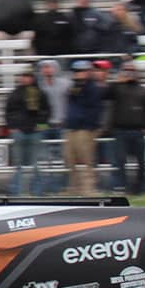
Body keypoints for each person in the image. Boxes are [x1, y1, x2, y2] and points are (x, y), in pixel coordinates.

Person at [4, 69, 50, 196]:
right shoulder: (15, 94)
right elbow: (9, 111)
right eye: (24, 76)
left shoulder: (40, 93)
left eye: (28, 76)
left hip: (34, 131)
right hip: (19, 131)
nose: (25, 79)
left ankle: (37, 192)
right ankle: (16, 192)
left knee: (35, 163)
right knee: (18, 163)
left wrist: (41, 125)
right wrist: (12, 126)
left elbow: (46, 111)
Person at [107, 63, 145, 195]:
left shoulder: (143, 90)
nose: (129, 73)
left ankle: (141, 188)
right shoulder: (117, 89)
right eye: (126, 70)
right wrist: (117, 82)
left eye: (132, 70)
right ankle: (122, 187)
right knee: (120, 161)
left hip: (138, 131)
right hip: (120, 130)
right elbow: (105, 95)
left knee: (141, 163)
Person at [64, 61, 104, 197]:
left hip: (85, 129)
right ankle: (74, 187)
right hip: (72, 127)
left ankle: (89, 189)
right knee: (70, 158)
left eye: (80, 71)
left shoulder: (92, 88)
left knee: (86, 159)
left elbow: (95, 109)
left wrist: (89, 124)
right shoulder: (73, 88)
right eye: (75, 72)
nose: (77, 74)